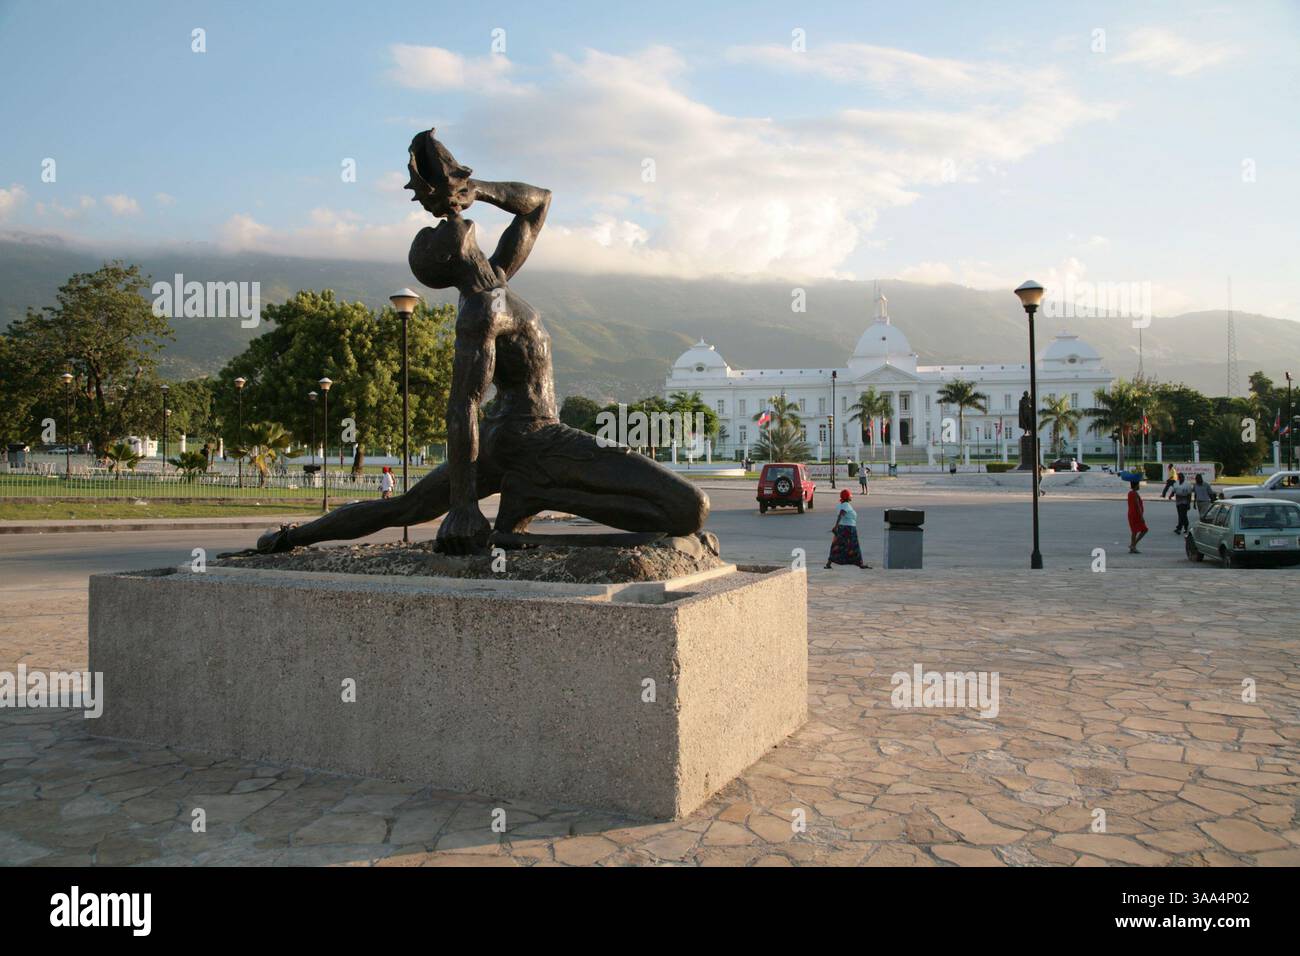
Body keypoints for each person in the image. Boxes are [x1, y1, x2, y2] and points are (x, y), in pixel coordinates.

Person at [256, 129, 707, 555]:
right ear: (450, 257)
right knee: (690, 508)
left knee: (405, 506)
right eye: (434, 235)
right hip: (530, 436)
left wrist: (478, 188)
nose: (449, 221)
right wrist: (463, 505)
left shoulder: (498, 276)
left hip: (510, 436)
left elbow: (538, 204)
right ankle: (534, 490)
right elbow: (462, 405)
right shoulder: (483, 308)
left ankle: (290, 538)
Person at [825, 488, 870, 569]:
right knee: (854, 546)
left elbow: (841, 515)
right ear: (847, 497)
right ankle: (860, 564)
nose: (851, 497)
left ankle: (828, 563)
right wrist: (835, 526)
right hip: (849, 529)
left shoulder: (840, 505)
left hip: (842, 528)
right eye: (850, 496)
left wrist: (836, 527)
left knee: (837, 545)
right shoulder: (846, 505)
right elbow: (841, 515)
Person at [1126, 480, 1148, 553]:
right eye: (1138, 485)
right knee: (1144, 530)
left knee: (1134, 531)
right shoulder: (1134, 494)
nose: (1139, 486)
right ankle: (1133, 545)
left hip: (1131, 514)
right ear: (1136, 486)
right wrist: (1141, 517)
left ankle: (1133, 547)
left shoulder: (1130, 493)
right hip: (1136, 515)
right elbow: (1137, 505)